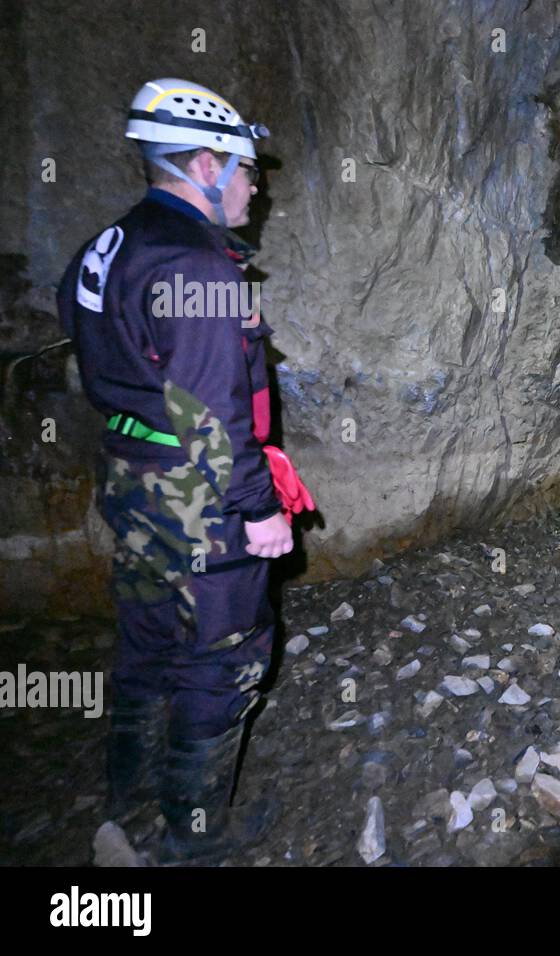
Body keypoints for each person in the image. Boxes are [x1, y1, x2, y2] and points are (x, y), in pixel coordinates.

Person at [57, 78, 291, 863]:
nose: (255, 188)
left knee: (151, 639)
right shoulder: (195, 265)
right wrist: (258, 506)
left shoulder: (109, 246)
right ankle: (192, 839)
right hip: (197, 488)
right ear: (203, 165)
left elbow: (129, 357)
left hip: (131, 471)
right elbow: (212, 414)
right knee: (222, 656)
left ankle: (126, 812)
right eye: (247, 171)